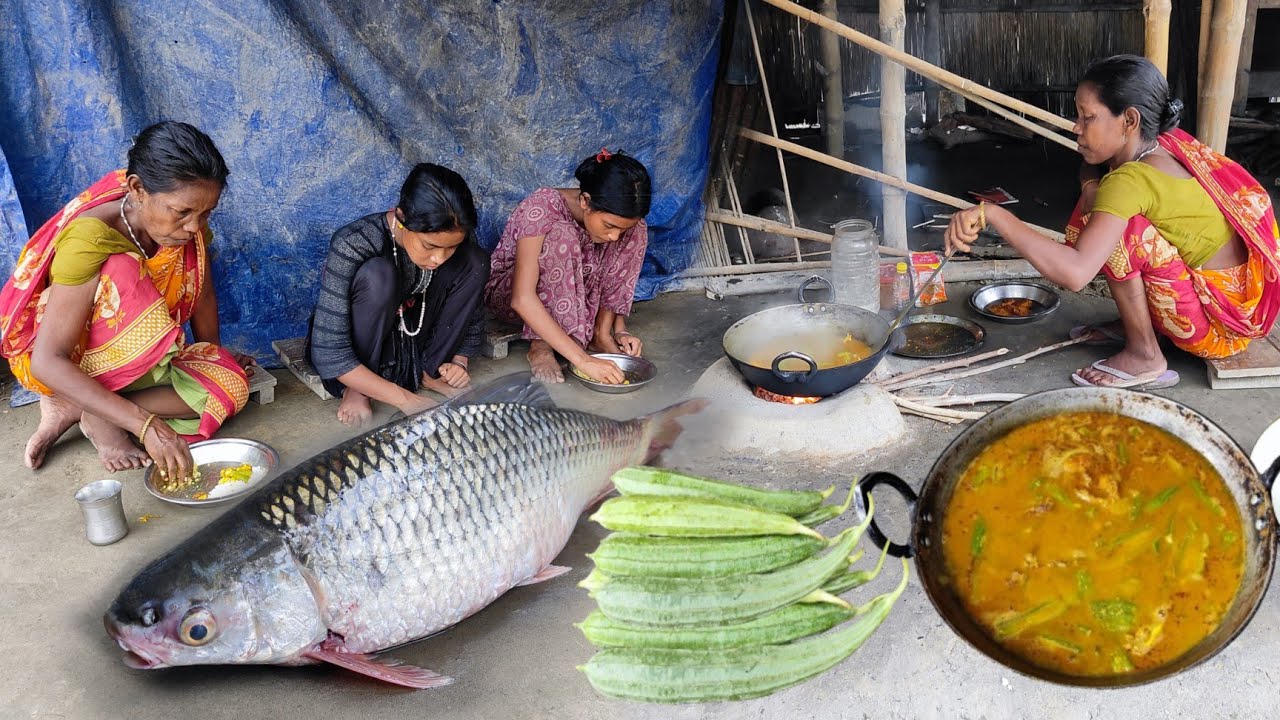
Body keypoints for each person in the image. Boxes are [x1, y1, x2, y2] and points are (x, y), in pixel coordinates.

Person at [946, 54, 1280, 389]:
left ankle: (1145, 353)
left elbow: (1076, 273)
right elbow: (1090, 174)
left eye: (1087, 117)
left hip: (1217, 330)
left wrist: (997, 215)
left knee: (1123, 233)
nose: (1076, 127)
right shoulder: (1165, 145)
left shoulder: (1128, 181)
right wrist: (1092, 189)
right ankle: (1141, 325)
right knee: (1104, 214)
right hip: (1237, 311)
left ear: (1129, 121)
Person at [0, 121, 253, 477]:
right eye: (181, 212)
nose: (196, 226)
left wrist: (210, 357)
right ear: (137, 189)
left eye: (207, 212)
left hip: (145, 353)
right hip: (80, 358)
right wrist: (146, 426)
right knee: (123, 269)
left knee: (231, 386)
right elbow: (47, 360)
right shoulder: (89, 238)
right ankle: (89, 406)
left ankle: (91, 409)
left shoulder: (186, 224)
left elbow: (203, 291)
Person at [307, 163, 489, 427]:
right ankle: (358, 387)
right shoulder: (354, 242)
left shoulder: (452, 240)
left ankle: (430, 370)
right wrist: (406, 400)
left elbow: (470, 311)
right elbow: (328, 350)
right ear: (401, 218)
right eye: (430, 246)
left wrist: (458, 362)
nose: (439, 258)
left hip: (415, 332)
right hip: (367, 336)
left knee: (475, 260)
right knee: (378, 276)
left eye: (450, 248)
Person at [484, 149, 651, 384]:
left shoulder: (618, 229)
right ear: (585, 200)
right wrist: (584, 361)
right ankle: (540, 345)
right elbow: (521, 298)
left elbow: (617, 268)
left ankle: (600, 333)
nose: (614, 236)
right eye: (609, 225)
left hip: (580, 297)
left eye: (619, 229)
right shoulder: (542, 208)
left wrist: (619, 330)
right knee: (563, 235)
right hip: (512, 296)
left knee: (637, 229)